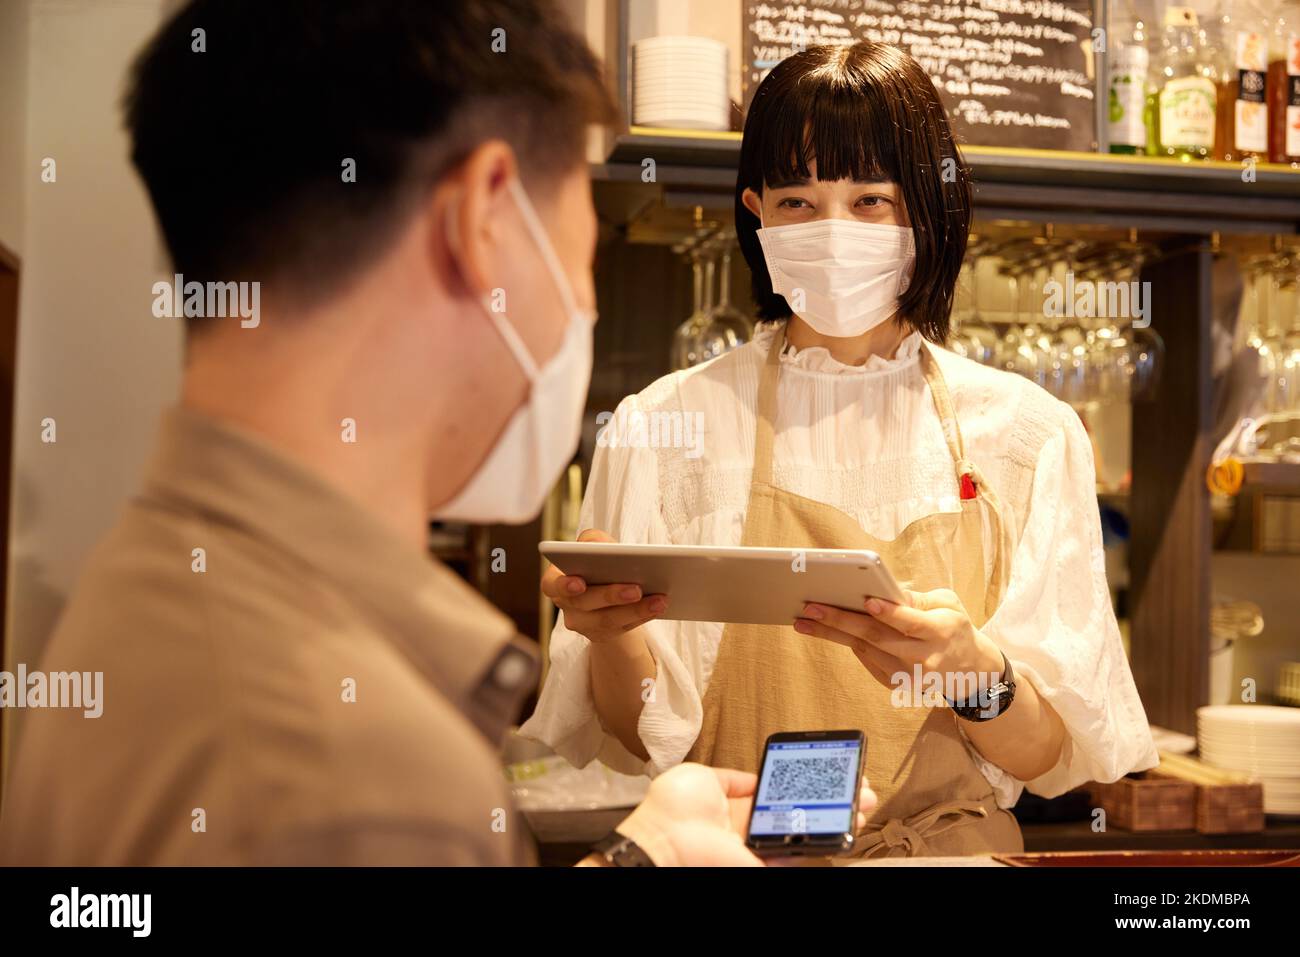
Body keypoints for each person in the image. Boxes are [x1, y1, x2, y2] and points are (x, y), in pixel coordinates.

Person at [0, 0, 881, 867]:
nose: (583, 308)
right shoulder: (353, 757)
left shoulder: (150, 593)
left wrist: (640, 856)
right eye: (579, 263)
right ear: (483, 221)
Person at [524, 41, 1159, 858]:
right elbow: (640, 735)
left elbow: (1046, 756)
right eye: (797, 202)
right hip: (734, 859)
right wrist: (611, 628)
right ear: (755, 210)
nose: (833, 231)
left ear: (929, 209)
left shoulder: (1027, 436)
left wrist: (975, 674)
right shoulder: (662, 427)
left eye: (870, 201)